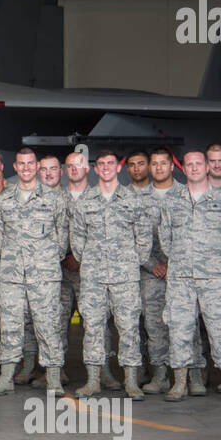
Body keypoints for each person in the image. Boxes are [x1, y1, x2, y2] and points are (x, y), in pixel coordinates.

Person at [159, 150, 221, 403]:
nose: (194, 168)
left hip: (215, 278)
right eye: (189, 164)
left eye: (199, 164)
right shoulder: (171, 200)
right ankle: (180, 383)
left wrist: (213, 262)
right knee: (179, 329)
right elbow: (165, 239)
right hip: (181, 277)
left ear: (208, 167)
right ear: (183, 168)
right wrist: (183, 260)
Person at [70, 150, 151, 399]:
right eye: (101, 164)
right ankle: (93, 380)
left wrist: (128, 262)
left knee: (128, 328)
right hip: (94, 276)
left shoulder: (134, 199)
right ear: (95, 169)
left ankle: (131, 381)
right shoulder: (85, 201)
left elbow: (145, 240)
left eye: (110, 164)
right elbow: (77, 240)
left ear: (119, 168)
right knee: (93, 328)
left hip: (125, 277)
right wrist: (92, 262)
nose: (105, 168)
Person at [0, 147, 68, 395]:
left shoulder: (54, 199)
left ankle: (53, 378)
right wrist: (15, 259)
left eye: (30, 163)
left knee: (48, 325)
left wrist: (41, 260)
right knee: (10, 326)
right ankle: (6, 377)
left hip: (44, 275)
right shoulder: (3, 201)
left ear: (36, 167)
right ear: (14, 167)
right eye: (21, 164)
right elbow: (0, 238)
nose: (25, 168)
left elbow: (62, 240)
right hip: (12, 276)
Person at [136, 148, 184, 394]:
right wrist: (152, 265)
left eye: (163, 163)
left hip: (182, 272)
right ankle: (160, 374)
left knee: (184, 325)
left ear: (172, 166)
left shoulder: (186, 196)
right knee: (154, 326)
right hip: (151, 273)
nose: (158, 168)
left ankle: (189, 375)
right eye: (153, 164)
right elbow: (134, 238)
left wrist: (173, 264)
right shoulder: (139, 199)